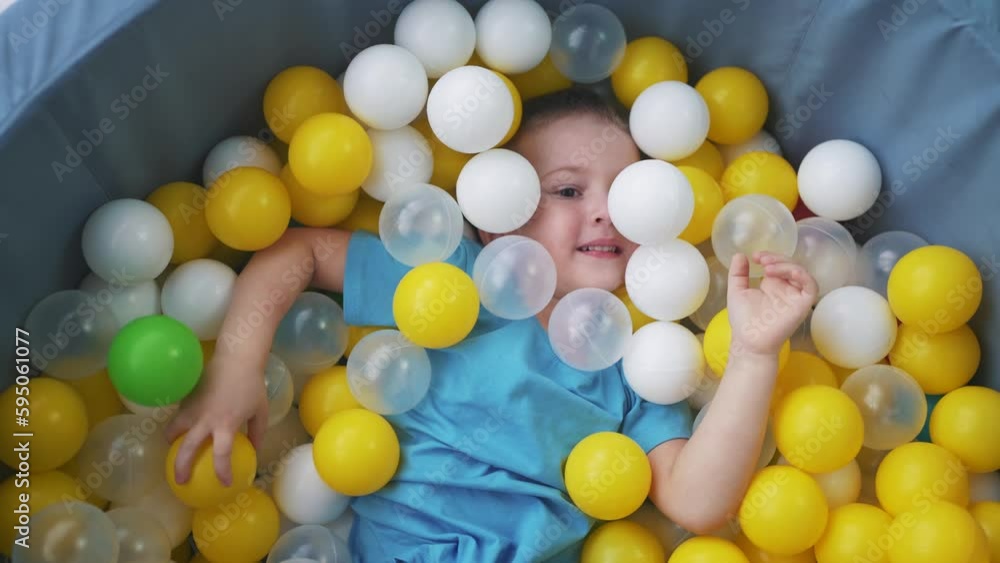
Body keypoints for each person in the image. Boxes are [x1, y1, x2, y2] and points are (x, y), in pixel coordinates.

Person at [166, 87, 818, 561]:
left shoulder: (644, 356)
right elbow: (299, 251)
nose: (605, 213)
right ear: (498, 211)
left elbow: (698, 502)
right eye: (569, 190)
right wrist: (236, 365)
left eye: (627, 193)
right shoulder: (454, 282)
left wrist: (756, 355)